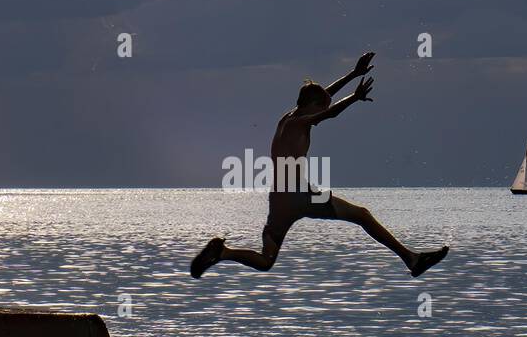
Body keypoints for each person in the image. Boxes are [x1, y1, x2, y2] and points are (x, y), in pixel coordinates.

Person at [191, 52, 449, 279]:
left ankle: (223, 252)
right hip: (301, 196)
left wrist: (353, 74)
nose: (320, 112)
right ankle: (411, 259)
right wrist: (354, 97)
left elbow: (323, 99)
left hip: (279, 200)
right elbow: (330, 111)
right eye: (318, 107)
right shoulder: (299, 123)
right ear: (311, 106)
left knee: (267, 260)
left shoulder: (288, 118)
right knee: (363, 215)